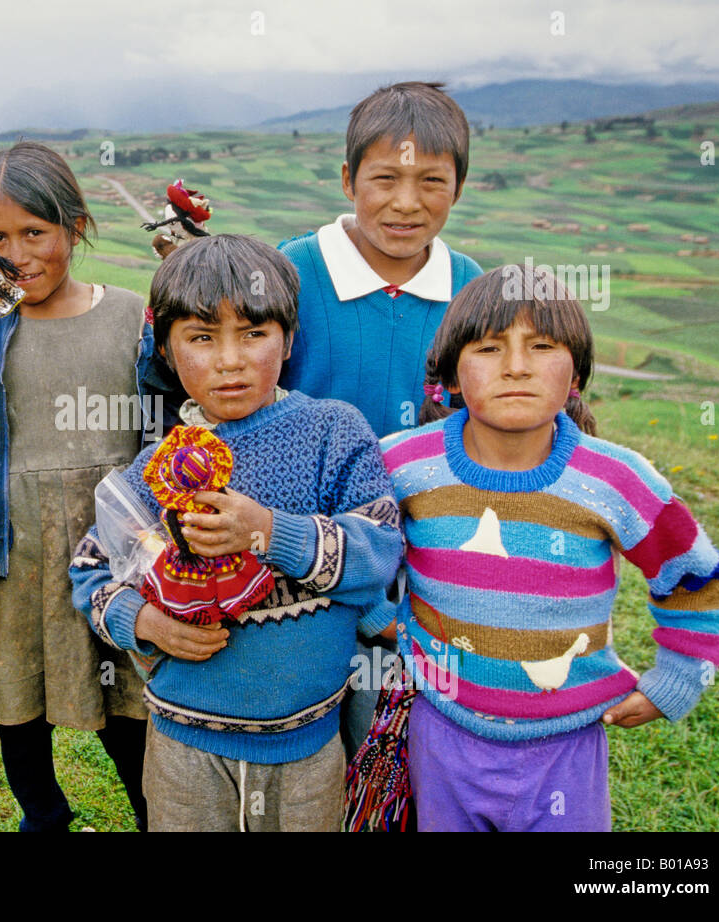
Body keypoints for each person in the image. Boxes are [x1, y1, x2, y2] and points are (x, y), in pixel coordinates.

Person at [69, 235, 403, 831]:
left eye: (254, 334)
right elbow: (92, 568)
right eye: (201, 337)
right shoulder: (157, 471)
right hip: (182, 745)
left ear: (289, 338)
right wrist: (145, 623)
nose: (230, 359)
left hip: (308, 745)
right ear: (166, 352)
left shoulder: (332, 434)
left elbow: (379, 552)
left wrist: (271, 532)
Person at [378, 264, 719, 831]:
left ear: (576, 373)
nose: (516, 367)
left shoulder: (616, 480)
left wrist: (679, 677)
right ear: (449, 374)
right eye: (489, 348)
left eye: (541, 346)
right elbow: (361, 548)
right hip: (442, 732)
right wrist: (383, 620)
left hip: (567, 747)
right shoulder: (402, 463)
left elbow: (694, 573)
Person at [0, 141, 172, 831]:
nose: (17, 254)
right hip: (12, 553)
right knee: (16, 711)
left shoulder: (128, 317)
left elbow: (161, 428)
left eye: (34, 232)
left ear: (75, 227)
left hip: (110, 555)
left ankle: (155, 815)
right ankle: (44, 817)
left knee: (128, 712)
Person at [277, 81, 485, 762]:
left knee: (388, 744)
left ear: (459, 185)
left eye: (431, 180)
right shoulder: (289, 274)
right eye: (385, 178)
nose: (406, 202)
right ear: (347, 179)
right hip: (296, 553)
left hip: (420, 567)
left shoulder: (471, 291)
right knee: (303, 740)